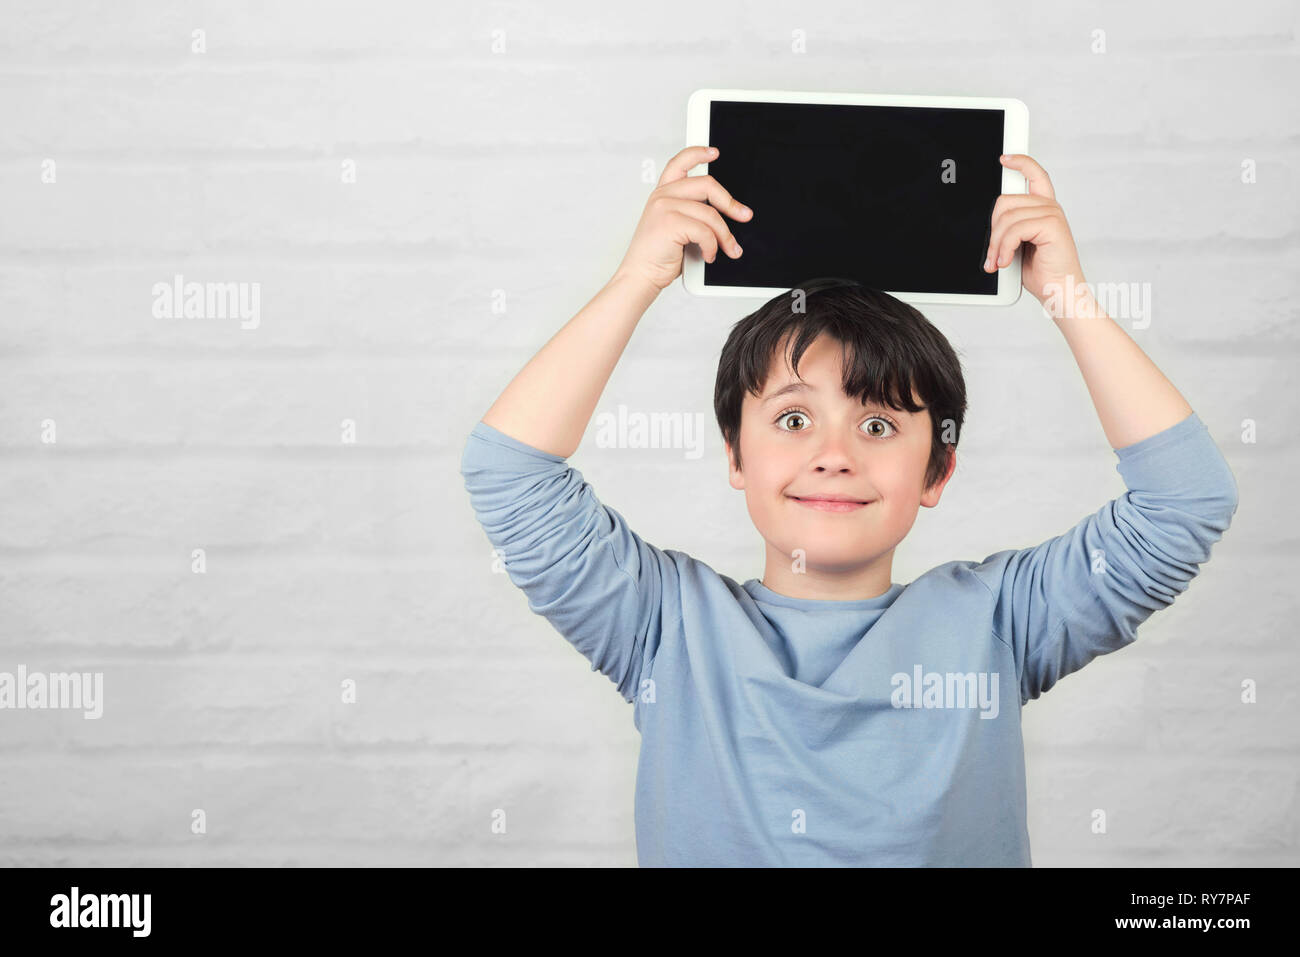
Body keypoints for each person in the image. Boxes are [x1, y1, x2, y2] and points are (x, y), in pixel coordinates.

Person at [459, 146, 1239, 866]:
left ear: (938, 471)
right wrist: (637, 278)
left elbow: (1184, 499)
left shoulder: (1001, 622)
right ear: (736, 454)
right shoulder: (665, 626)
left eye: (878, 424)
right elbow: (510, 471)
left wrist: (1066, 294)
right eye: (794, 420)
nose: (834, 454)